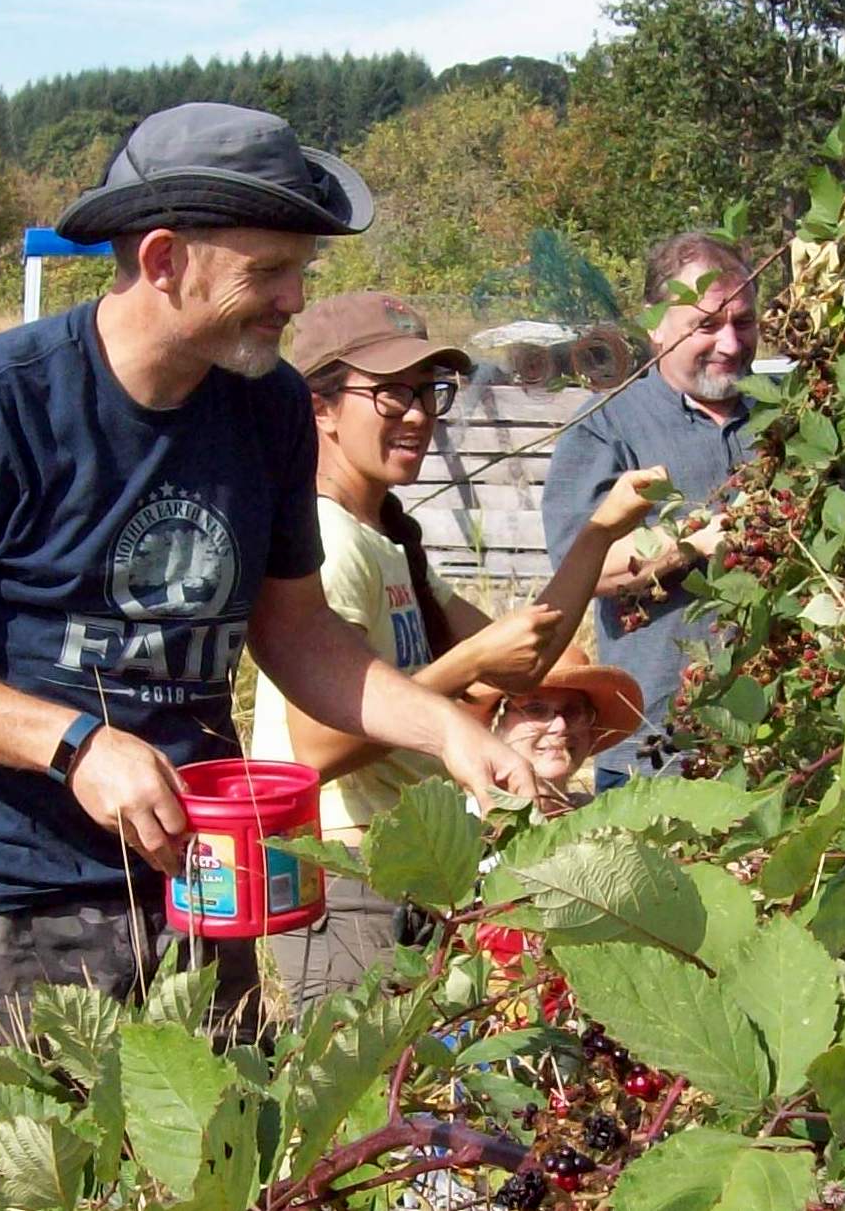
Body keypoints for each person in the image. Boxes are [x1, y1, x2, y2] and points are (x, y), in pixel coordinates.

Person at [0, 103, 541, 1039]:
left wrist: (444, 725)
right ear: (164, 260)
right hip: (12, 896)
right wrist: (76, 743)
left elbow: (294, 631)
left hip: (203, 879)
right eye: (270, 271)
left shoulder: (272, 407)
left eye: (301, 271)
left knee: (213, 1170)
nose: (294, 300)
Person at [251, 291, 665, 1005]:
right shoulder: (326, 540)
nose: (417, 414)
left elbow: (529, 656)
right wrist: (467, 670)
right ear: (319, 407)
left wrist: (598, 530)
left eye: (428, 392)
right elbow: (316, 746)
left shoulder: (388, 538)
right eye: (390, 394)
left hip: (414, 861)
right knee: (359, 1101)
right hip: (343, 865)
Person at [541, 230, 759, 793]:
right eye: (706, 326)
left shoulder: (786, 418)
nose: (731, 344)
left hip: (776, 739)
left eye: (745, 322)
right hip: (657, 749)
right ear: (653, 325)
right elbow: (578, 564)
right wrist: (690, 543)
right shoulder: (607, 424)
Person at [460, 646, 644, 806]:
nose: (560, 725)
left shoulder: (609, 825)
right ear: (494, 724)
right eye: (535, 710)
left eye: (573, 711)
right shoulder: (468, 827)